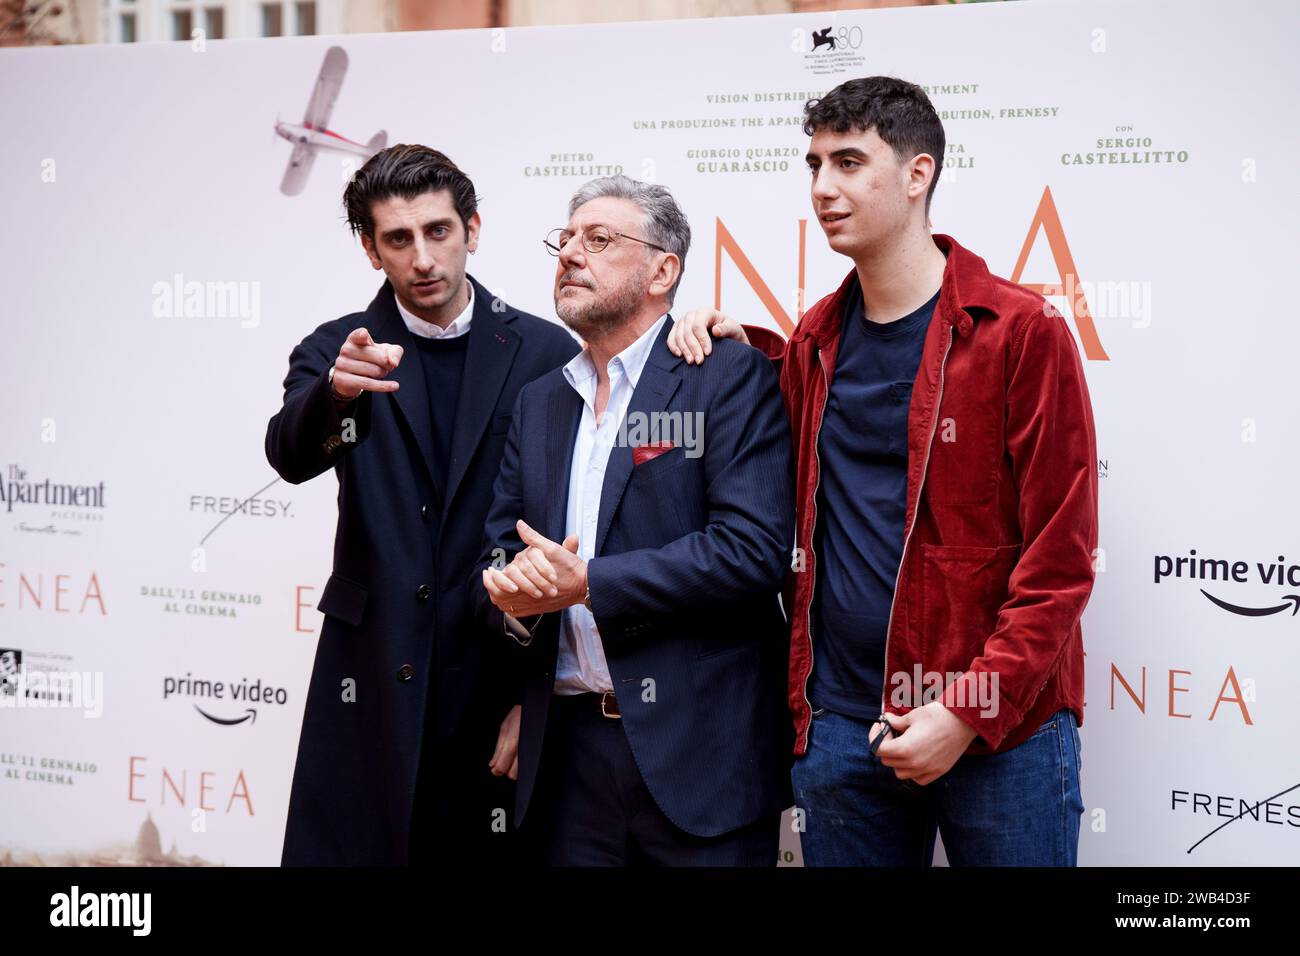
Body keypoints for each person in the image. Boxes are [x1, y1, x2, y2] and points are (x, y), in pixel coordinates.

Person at [667, 76, 1098, 866]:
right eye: (815, 164)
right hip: (839, 726)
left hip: (1002, 735)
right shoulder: (814, 340)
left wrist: (968, 709)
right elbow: (790, 419)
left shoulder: (1020, 333)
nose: (824, 187)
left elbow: (1060, 561)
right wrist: (731, 338)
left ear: (916, 173)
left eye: (850, 162)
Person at [266, 144, 579, 866]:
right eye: (398, 239)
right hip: (368, 684)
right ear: (372, 251)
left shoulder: (544, 350)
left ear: (473, 228)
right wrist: (335, 395)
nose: (423, 258)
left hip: (492, 677)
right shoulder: (337, 350)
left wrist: (531, 702)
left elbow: (576, 518)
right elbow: (288, 455)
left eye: (438, 231)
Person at [474, 175, 794, 865]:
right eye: (565, 240)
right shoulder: (540, 403)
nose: (569, 254)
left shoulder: (723, 375)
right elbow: (499, 551)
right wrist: (514, 592)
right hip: (565, 762)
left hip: (699, 760)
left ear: (663, 270)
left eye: (599, 240)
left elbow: (753, 550)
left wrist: (587, 582)